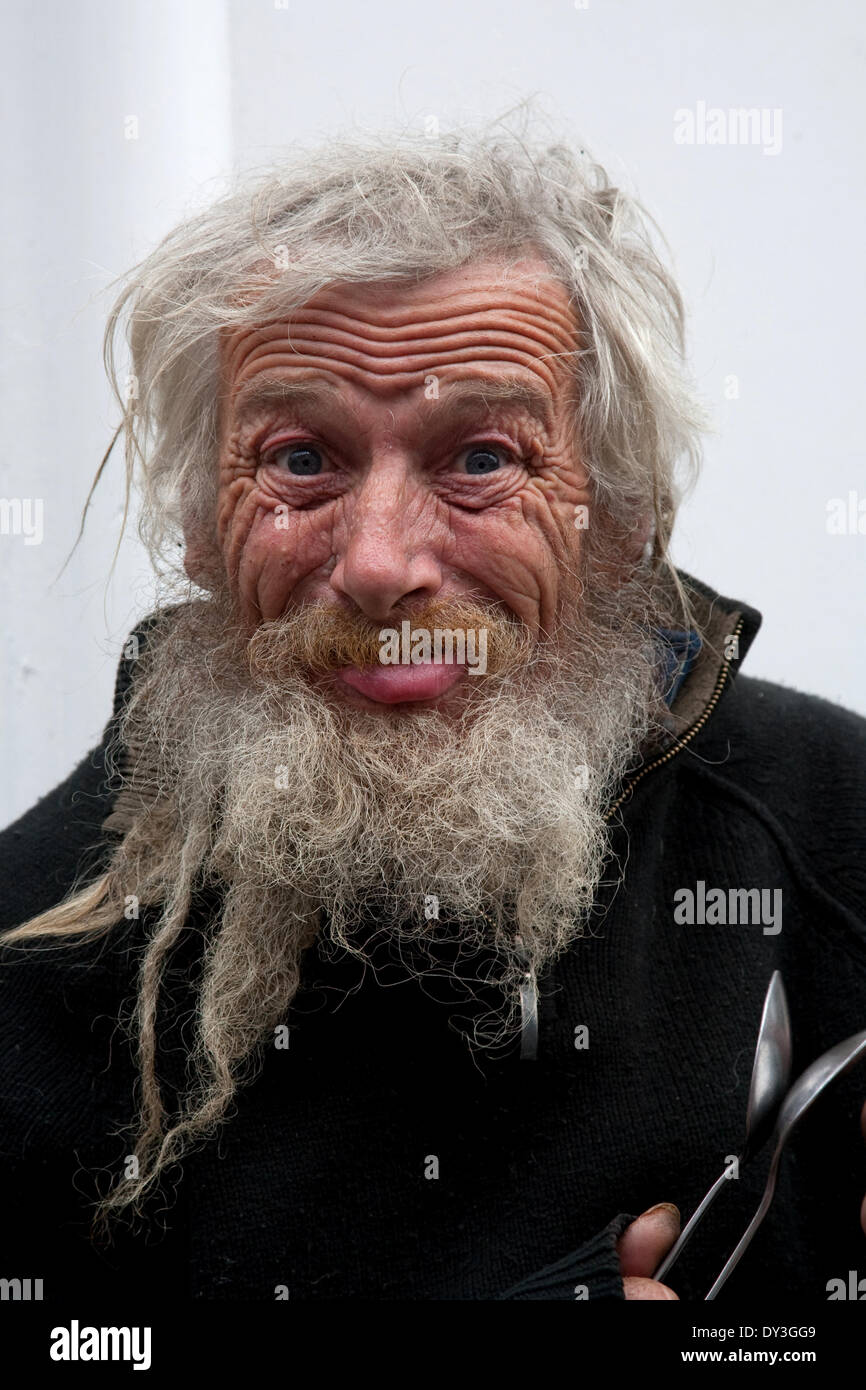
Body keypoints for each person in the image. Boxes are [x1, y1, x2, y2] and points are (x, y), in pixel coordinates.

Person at [2, 116, 864, 1303]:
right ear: (202, 526)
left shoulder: (828, 833)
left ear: (619, 518)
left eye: (478, 459)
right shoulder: (35, 938)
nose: (376, 563)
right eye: (302, 460)